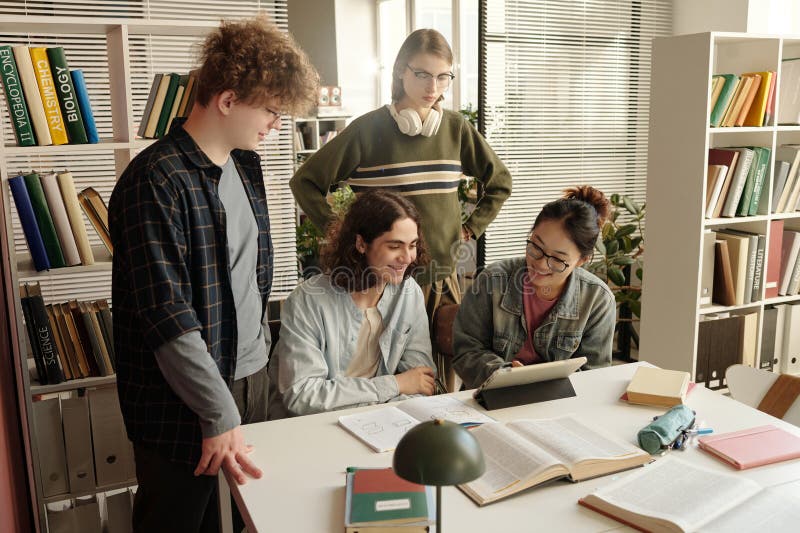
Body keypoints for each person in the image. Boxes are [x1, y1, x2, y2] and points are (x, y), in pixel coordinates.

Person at [109, 16, 318, 532]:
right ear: (227, 100)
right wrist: (218, 414)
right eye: (270, 109)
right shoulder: (155, 180)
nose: (275, 122)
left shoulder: (246, 166)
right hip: (183, 406)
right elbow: (168, 317)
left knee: (250, 522)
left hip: (252, 378)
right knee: (181, 523)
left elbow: (251, 278)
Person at [290, 29, 512, 317]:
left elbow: (500, 181)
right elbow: (305, 182)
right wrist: (341, 231)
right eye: (422, 74)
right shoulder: (366, 131)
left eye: (443, 76)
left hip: (441, 281)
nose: (433, 86)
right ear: (399, 72)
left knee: (441, 362)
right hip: (381, 284)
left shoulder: (456, 129)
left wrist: (471, 227)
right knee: (383, 361)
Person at [270, 190, 436, 418]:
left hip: (381, 422)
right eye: (394, 246)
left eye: (413, 245)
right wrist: (393, 385)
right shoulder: (307, 300)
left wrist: (384, 410)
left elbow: (421, 382)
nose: (407, 258)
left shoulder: (410, 294)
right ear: (361, 243)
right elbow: (302, 395)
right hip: (312, 428)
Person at [452, 186, 616, 390]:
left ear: (581, 260)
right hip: (493, 397)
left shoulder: (597, 300)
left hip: (558, 405)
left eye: (557, 259)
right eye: (536, 247)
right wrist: (506, 375)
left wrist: (538, 384)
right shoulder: (493, 280)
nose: (540, 264)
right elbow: (466, 351)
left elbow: (594, 374)